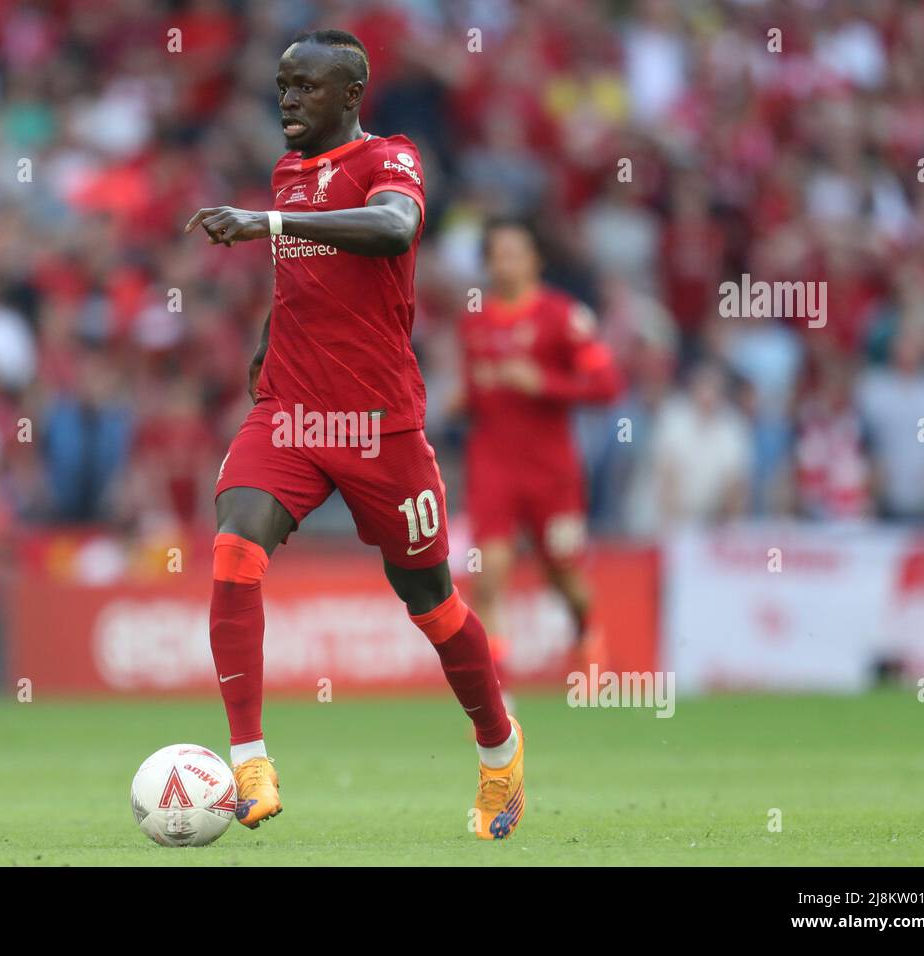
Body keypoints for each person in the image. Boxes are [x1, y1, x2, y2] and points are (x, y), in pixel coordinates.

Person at [185, 30, 524, 840]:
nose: (288, 100)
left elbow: (392, 230)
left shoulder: (391, 159)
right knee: (236, 546)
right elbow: (305, 274)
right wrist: (269, 340)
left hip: (380, 422)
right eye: (282, 86)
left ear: (350, 95)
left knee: (433, 605)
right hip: (294, 412)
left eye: (306, 87)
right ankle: (251, 762)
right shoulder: (286, 175)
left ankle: (500, 752)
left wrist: (265, 224)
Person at [458, 218, 622, 687]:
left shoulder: (564, 316)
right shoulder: (473, 321)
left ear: (536, 260)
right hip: (492, 464)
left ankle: (586, 630)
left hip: (552, 470)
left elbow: (608, 386)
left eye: (516, 253)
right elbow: (477, 394)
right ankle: (496, 684)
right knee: (489, 577)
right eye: (497, 255)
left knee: (562, 573)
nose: (506, 263)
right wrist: (462, 401)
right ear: (487, 264)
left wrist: (544, 383)